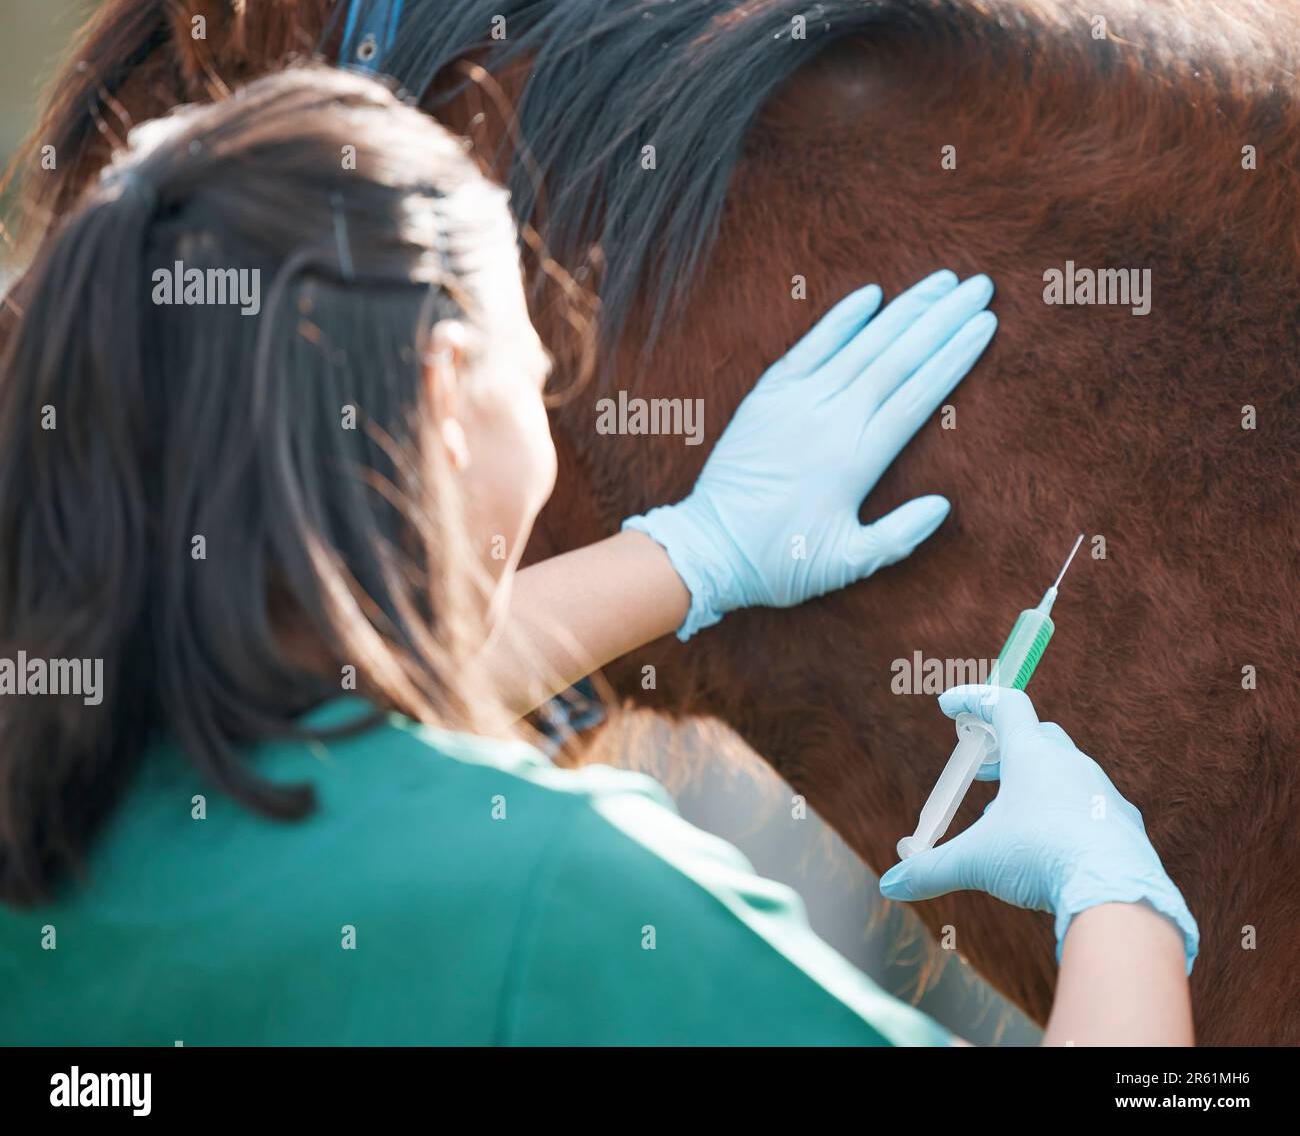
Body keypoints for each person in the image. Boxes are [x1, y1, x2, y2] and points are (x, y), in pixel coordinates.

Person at [0, 66, 1196, 1046]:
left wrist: (699, 551)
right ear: (444, 391)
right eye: (536, 374)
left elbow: (323, 709)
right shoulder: (561, 896)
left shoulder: (56, 812)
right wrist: (1116, 898)